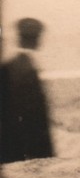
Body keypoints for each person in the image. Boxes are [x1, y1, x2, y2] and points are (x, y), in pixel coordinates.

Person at [0, 18, 55, 163]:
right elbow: (34, 116)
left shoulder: (11, 66)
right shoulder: (25, 68)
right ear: (36, 38)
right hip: (23, 147)